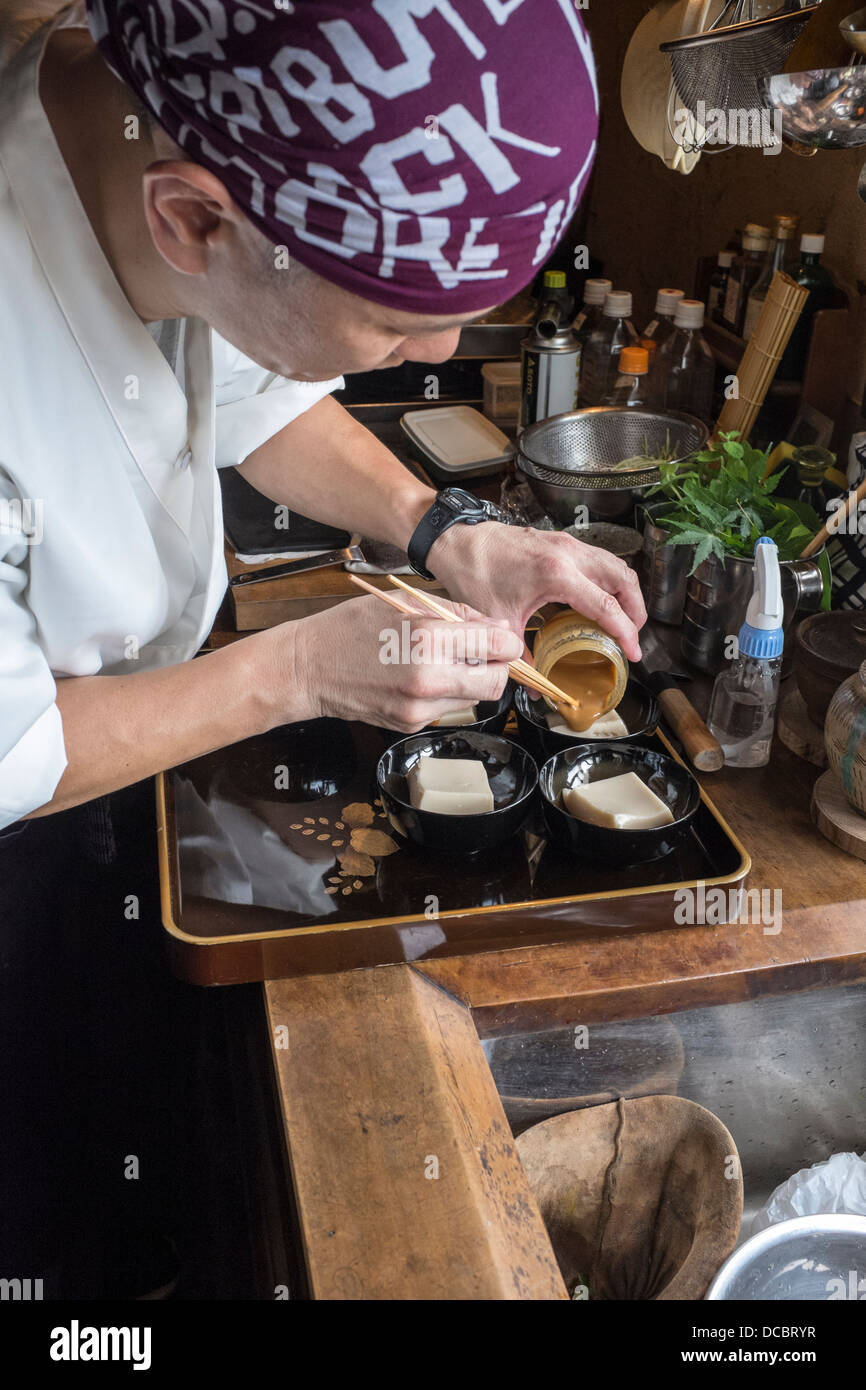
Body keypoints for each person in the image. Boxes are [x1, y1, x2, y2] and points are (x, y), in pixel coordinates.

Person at [0, 0, 644, 1294]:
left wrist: (444, 526)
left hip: (128, 761)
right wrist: (299, 668)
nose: (441, 354)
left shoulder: (150, 162)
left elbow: (253, 377)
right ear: (194, 217)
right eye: (396, 324)